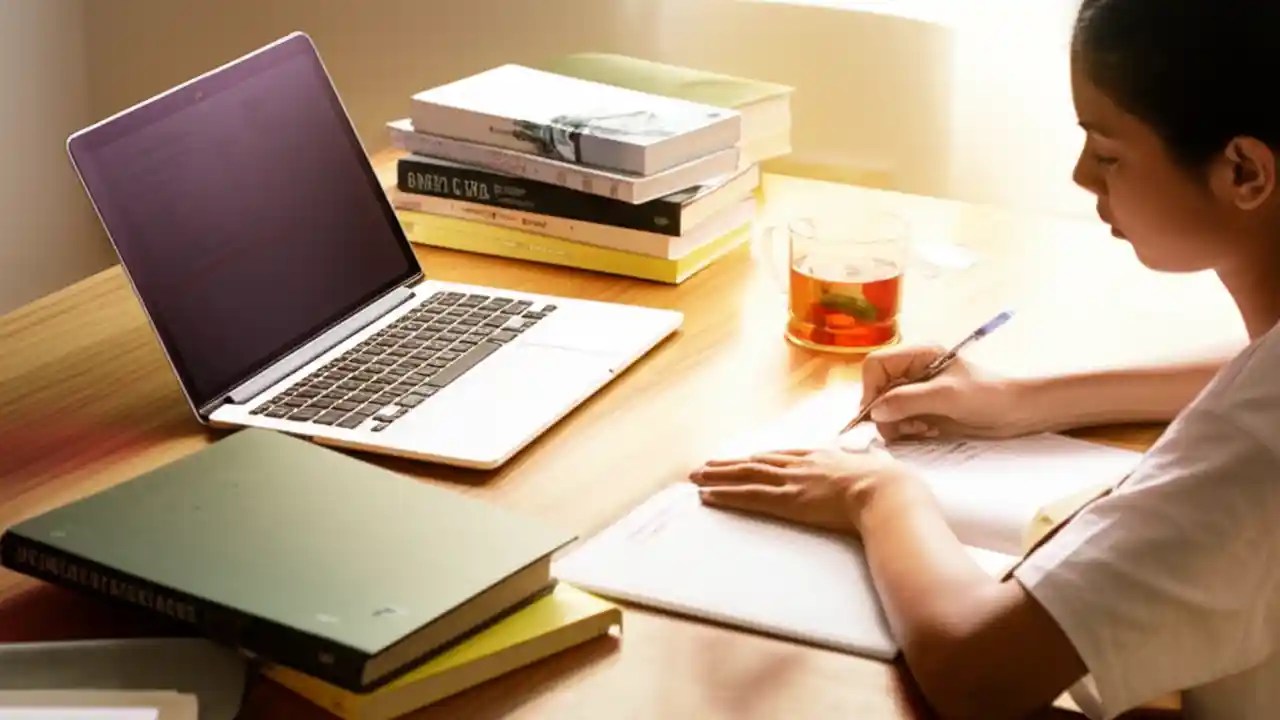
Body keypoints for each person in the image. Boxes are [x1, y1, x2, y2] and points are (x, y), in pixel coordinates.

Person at [689, 1, 1280, 718]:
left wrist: (876, 494)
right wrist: (1026, 400)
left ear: (1245, 172)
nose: (1082, 176)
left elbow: (980, 670)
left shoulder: (1255, 446)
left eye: (1109, 151)